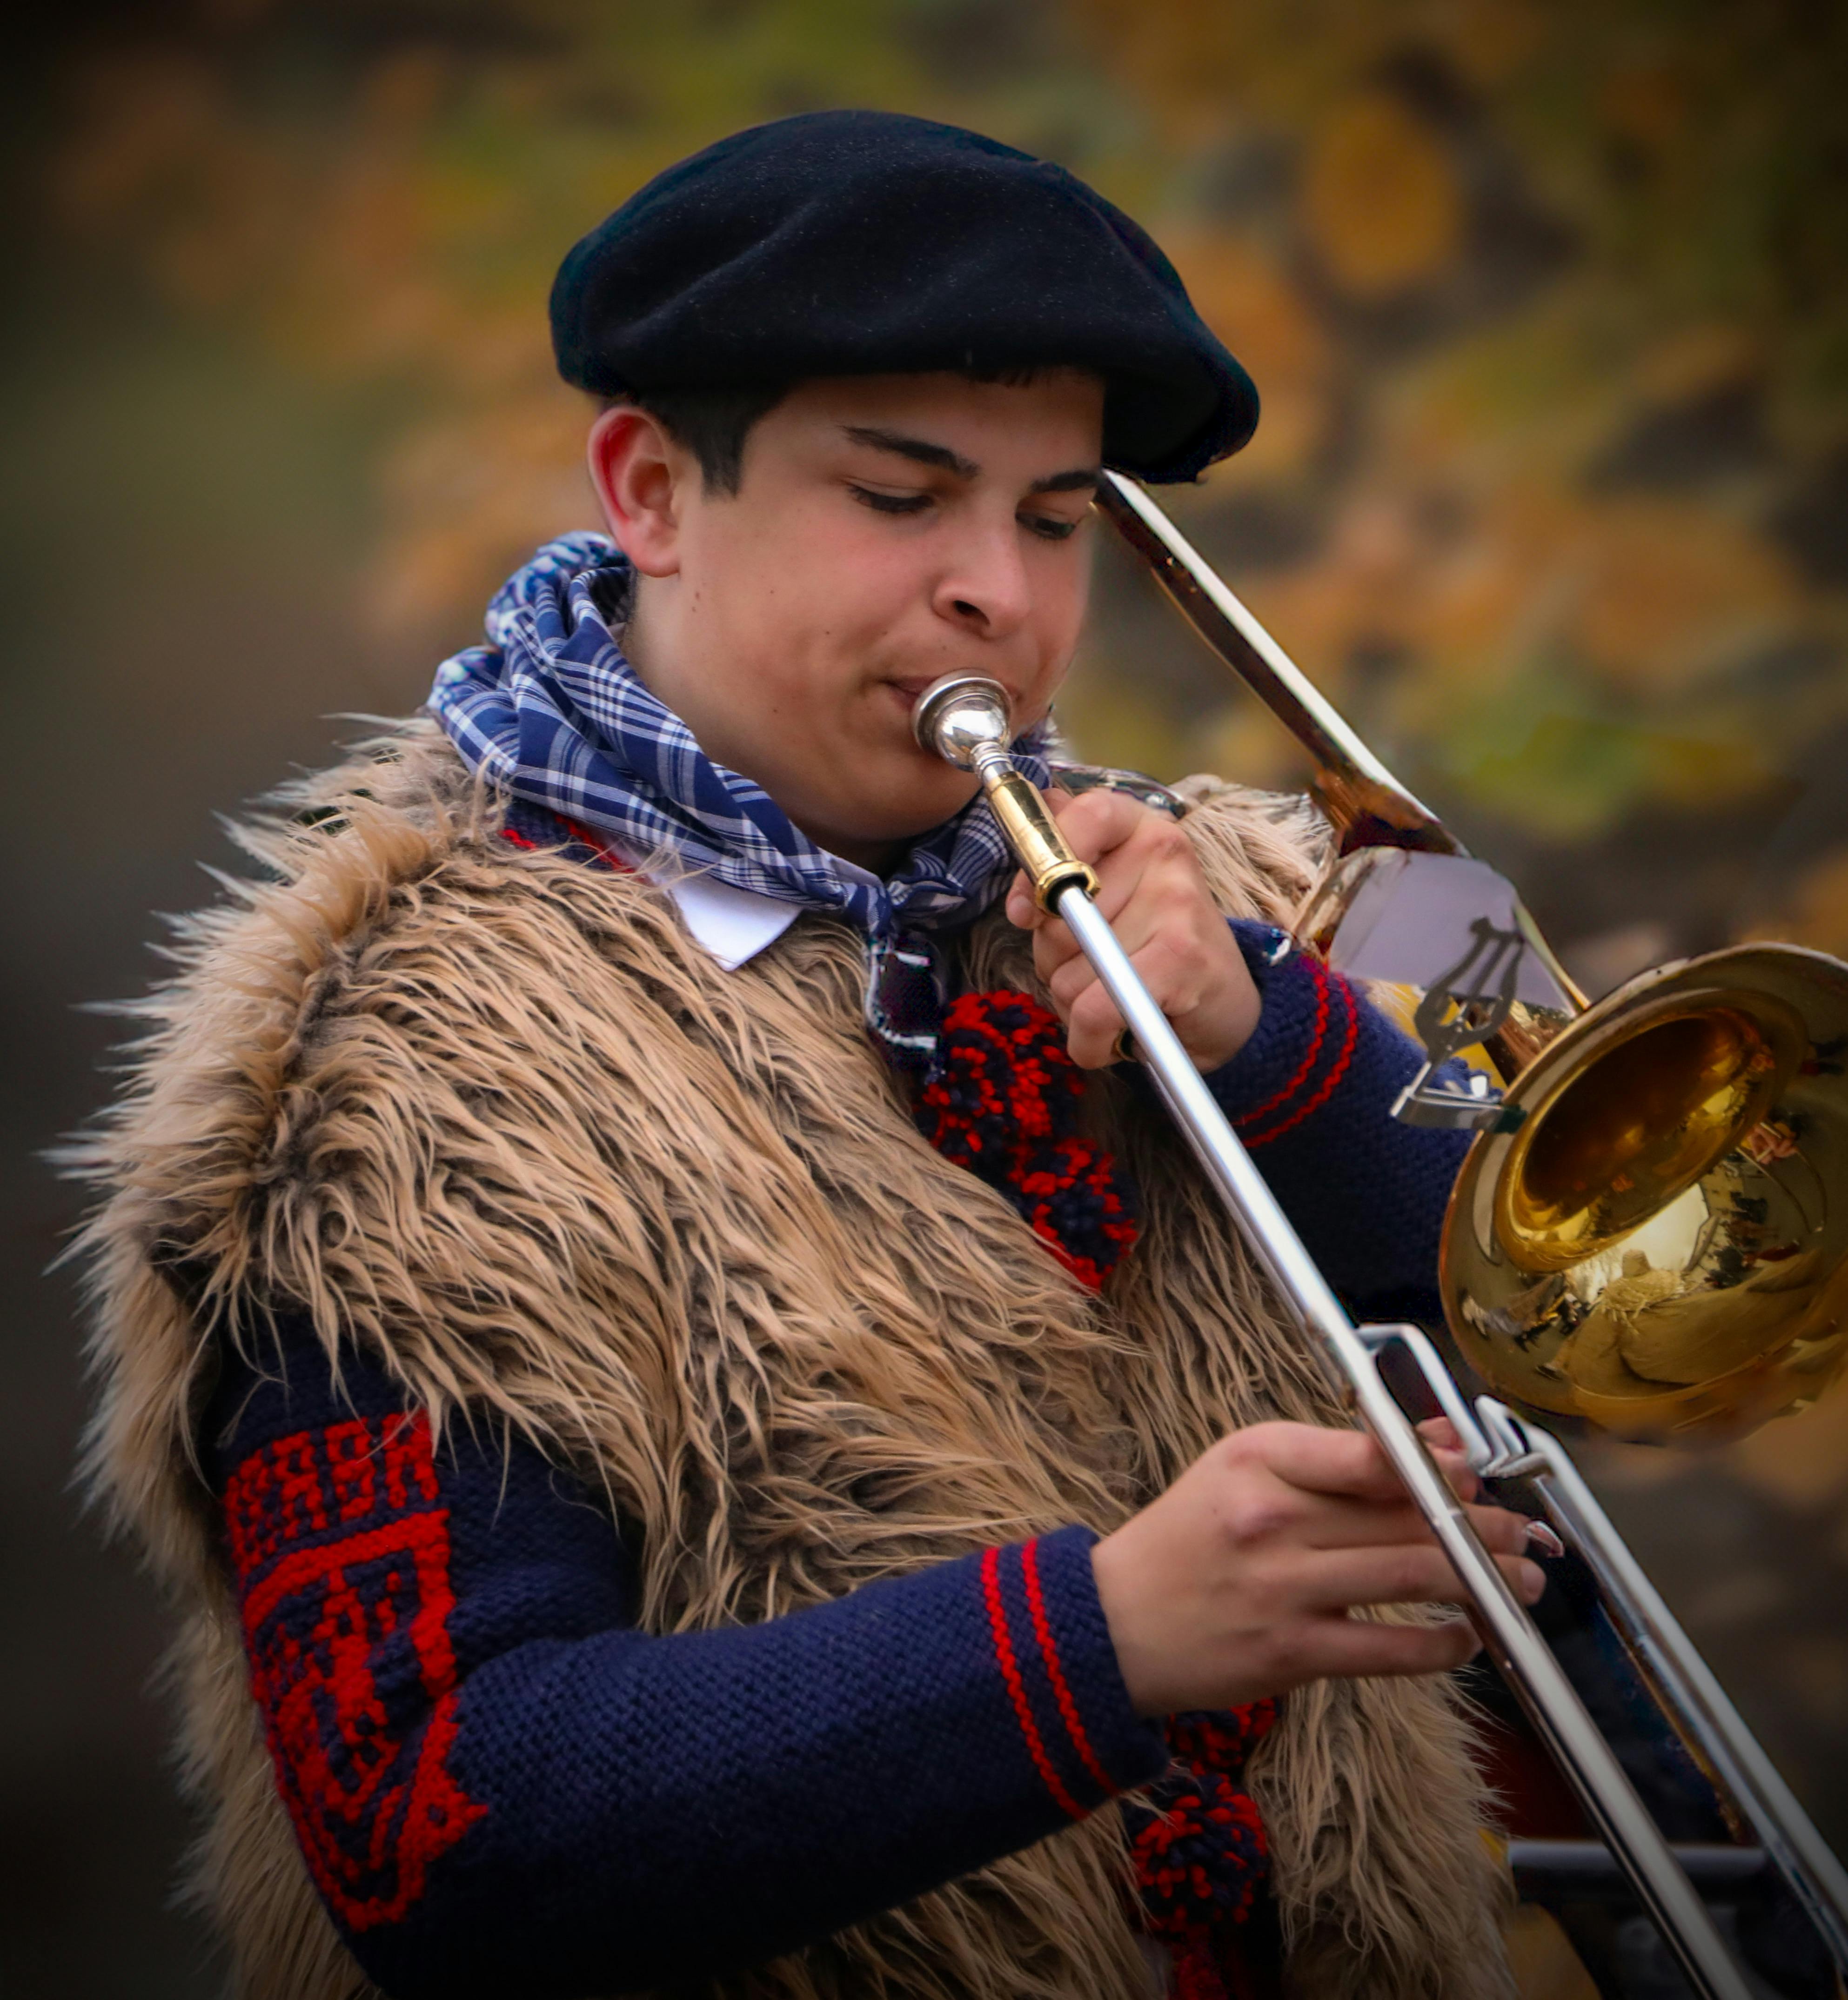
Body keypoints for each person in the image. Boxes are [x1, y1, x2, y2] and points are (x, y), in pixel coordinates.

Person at [72, 111, 1549, 2000]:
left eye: (1054, 519)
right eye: (900, 495)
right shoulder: (393, 1064)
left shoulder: (1252, 886)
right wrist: (1107, 1634)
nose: (1000, 595)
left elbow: (1585, 1334)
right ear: (652, 492)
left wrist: (1273, 1032)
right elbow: (438, 1832)